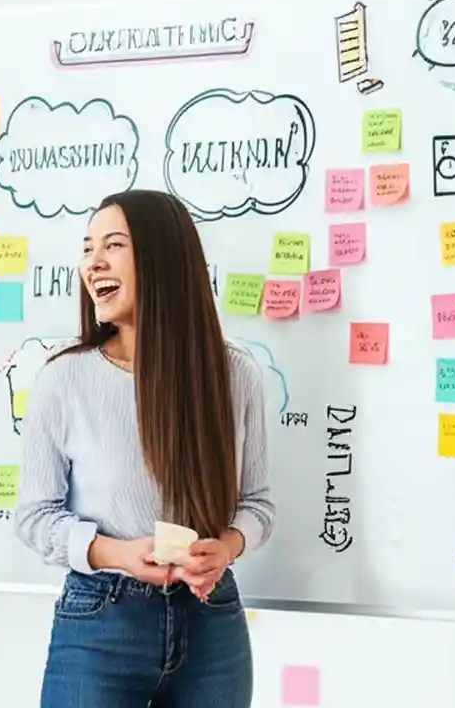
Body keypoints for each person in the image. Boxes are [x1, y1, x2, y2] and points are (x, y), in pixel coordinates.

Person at [14, 188, 275, 707]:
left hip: (212, 621)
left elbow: (257, 506)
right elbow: (34, 517)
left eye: (113, 245)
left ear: (162, 258)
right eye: (87, 248)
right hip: (99, 620)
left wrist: (225, 547)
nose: (93, 263)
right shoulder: (63, 379)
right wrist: (119, 554)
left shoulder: (234, 376)